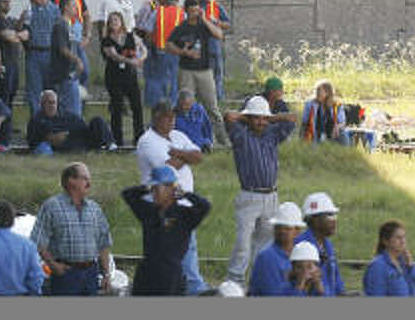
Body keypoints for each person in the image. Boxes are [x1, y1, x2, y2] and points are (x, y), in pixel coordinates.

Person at [224, 95, 298, 286]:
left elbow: (293, 119)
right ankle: (234, 283)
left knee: (265, 244)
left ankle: (258, 282)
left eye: (264, 118)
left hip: (271, 195)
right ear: (248, 119)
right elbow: (228, 116)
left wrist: (270, 118)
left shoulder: (271, 134)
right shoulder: (241, 135)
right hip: (249, 195)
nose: (261, 122)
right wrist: (247, 116)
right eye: (257, 118)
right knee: (243, 244)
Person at [136, 102, 208, 295]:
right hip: (161, 207)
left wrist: (178, 153)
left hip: (183, 205)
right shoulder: (147, 141)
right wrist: (186, 156)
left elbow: (199, 156)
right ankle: (194, 290)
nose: (171, 121)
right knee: (171, 256)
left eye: (173, 117)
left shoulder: (178, 136)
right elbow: (167, 169)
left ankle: (191, 287)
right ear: (155, 117)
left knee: (188, 252)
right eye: (167, 117)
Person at [122, 166, 211, 296]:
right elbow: (128, 194)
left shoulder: (184, 215)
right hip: (147, 273)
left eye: (157, 188)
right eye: (152, 189)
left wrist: (186, 194)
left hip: (171, 276)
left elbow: (205, 206)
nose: (154, 193)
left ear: (171, 188)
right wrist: (146, 188)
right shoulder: (148, 211)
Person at [31, 162, 113, 296]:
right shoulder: (52, 206)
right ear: (71, 180)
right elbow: (38, 241)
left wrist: (106, 274)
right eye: (85, 178)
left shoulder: (95, 208)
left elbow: (104, 243)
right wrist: (53, 265)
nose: (89, 183)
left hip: (91, 273)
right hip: (66, 274)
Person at [165, 0, 227, 146]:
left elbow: (219, 35)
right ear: (186, 11)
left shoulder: (203, 25)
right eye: (191, 11)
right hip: (186, 71)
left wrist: (205, 19)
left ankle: (223, 141)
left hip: (205, 71)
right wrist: (184, 52)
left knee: (212, 107)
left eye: (196, 10)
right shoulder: (181, 27)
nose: (194, 13)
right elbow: (168, 45)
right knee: (184, 106)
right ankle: (182, 139)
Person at [136, 0, 184, 112]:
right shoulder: (182, 13)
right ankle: (172, 105)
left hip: (159, 50)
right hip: (175, 52)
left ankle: (154, 104)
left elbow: (148, 32)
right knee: (173, 79)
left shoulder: (158, 12)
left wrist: (149, 47)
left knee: (156, 78)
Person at [100, 10, 145, 145]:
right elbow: (113, 55)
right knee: (117, 107)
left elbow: (143, 49)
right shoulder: (106, 41)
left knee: (137, 106)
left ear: (122, 22)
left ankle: (139, 138)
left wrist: (140, 59)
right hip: (114, 77)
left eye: (117, 20)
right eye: (112, 21)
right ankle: (117, 140)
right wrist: (131, 61)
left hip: (130, 76)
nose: (114, 23)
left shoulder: (131, 36)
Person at [27, 89, 116, 155]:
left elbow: (83, 127)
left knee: (97, 120)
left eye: (53, 103)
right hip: (57, 148)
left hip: (80, 142)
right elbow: (32, 141)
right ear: (42, 104)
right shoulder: (36, 120)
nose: (51, 106)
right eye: (47, 103)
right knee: (44, 150)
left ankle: (111, 146)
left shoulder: (68, 115)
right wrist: (49, 139)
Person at [247, 202, 307, 297]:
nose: (281, 231)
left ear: (297, 231)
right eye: (278, 227)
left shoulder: (302, 254)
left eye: (287, 228)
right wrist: (300, 284)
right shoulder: (267, 258)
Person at [49, 0, 91, 93]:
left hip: (78, 39)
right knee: (67, 73)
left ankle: (80, 98)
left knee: (85, 71)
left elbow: (87, 16)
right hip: (63, 38)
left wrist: (87, 35)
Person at [21, 0, 60, 118]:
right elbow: (24, 31)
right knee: (34, 94)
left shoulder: (56, 10)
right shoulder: (29, 10)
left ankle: (53, 125)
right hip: (33, 55)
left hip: (51, 55)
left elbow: (60, 33)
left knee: (52, 92)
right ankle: (36, 128)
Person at [191, 0, 231, 102]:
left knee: (217, 75)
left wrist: (217, 22)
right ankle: (201, 99)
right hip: (198, 48)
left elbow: (228, 24)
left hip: (214, 47)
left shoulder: (216, 6)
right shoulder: (191, 7)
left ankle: (218, 99)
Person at [296, 192, 344, 296]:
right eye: (330, 216)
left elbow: (337, 283)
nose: (334, 221)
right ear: (315, 220)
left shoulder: (327, 246)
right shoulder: (301, 247)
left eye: (335, 215)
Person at [363, 221, 415, 297]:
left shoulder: (405, 262)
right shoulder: (378, 266)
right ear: (385, 241)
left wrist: (412, 267)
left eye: (404, 237)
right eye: (398, 238)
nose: (403, 241)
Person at [0, 0, 28, 105]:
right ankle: (2, 122)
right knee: (3, 97)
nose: (7, 4)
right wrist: (18, 35)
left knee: (12, 94)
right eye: (4, 2)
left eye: (8, 2)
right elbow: (10, 38)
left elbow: (25, 35)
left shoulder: (10, 20)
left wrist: (18, 30)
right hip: (3, 64)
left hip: (13, 63)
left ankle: (7, 121)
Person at [49, 0, 85, 116]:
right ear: (65, 7)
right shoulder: (60, 25)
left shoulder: (68, 25)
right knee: (72, 110)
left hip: (70, 73)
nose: (76, 8)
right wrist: (78, 61)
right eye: (73, 6)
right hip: (64, 74)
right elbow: (63, 49)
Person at [301, 80, 350, 145]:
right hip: (315, 133)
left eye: (319, 90)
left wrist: (337, 127)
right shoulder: (310, 104)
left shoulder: (336, 105)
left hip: (332, 132)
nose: (316, 93)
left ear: (327, 92)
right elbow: (304, 122)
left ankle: (344, 151)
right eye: (316, 90)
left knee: (343, 133)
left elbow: (342, 122)